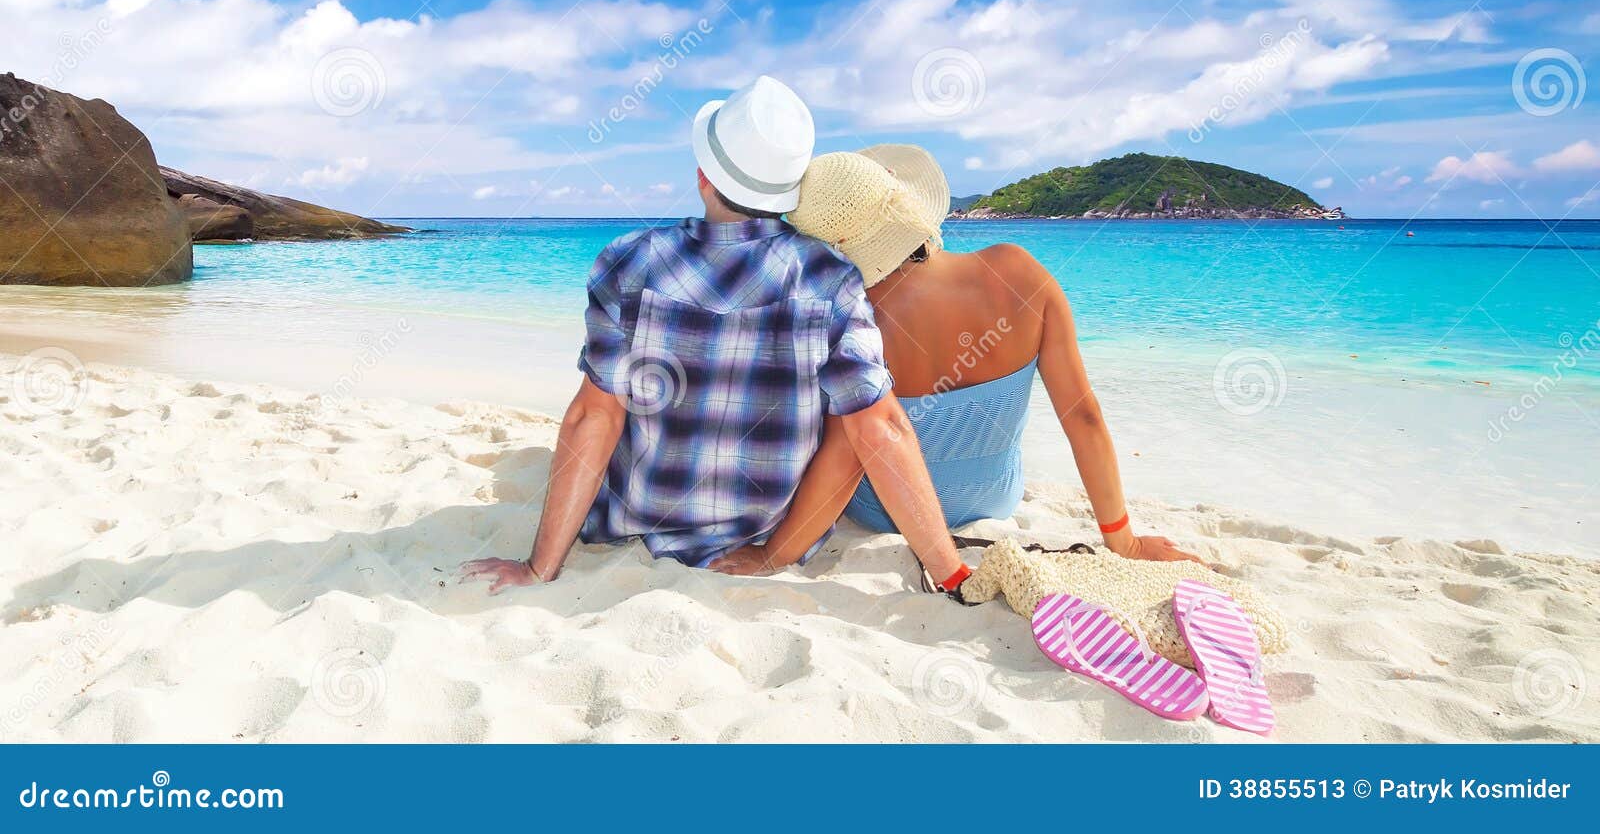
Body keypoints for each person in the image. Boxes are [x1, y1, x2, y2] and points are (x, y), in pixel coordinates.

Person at [461, 79, 970, 594]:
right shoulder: (831, 278)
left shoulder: (630, 261)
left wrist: (539, 569)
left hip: (638, 518)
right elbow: (879, 430)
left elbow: (593, 416)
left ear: (704, 175)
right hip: (761, 532)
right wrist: (950, 574)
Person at [710, 143, 1199, 576]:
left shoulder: (849, 320)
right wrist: (1123, 540)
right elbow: (1084, 418)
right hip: (994, 500)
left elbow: (848, 455)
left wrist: (774, 556)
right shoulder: (1018, 273)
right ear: (909, 206)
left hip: (882, 513)